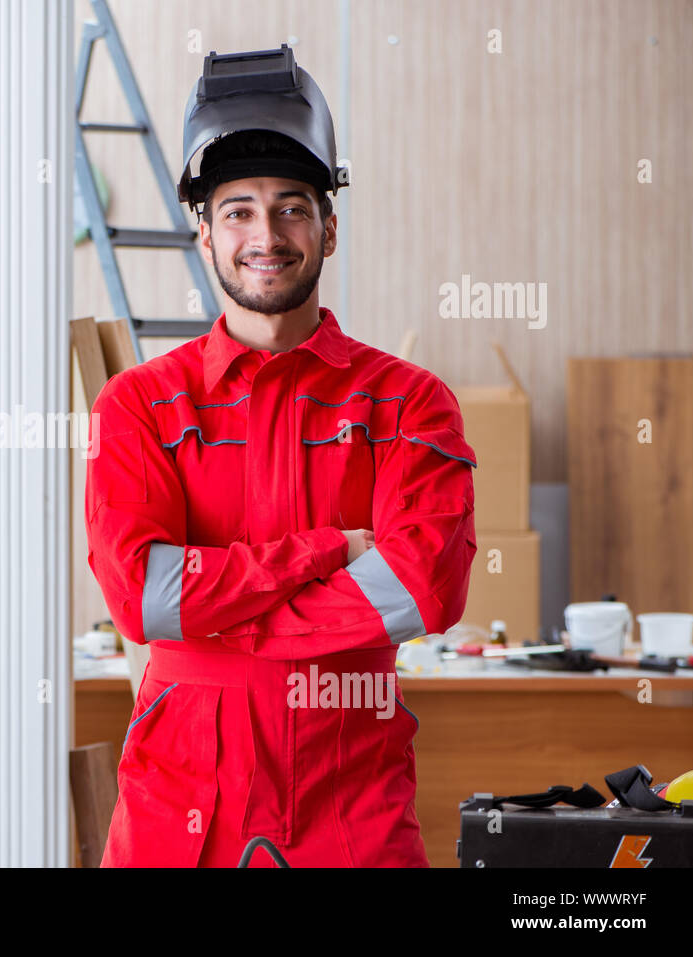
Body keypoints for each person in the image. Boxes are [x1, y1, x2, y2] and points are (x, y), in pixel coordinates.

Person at [85, 48, 477, 867]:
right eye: (238, 211)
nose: (266, 235)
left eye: (293, 208)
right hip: (179, 821)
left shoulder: (409, 402)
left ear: (329, 227)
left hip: (351, 817)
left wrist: (219, 622)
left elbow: (420, 587)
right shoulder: (138, 406)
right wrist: (331, 549)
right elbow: (145, 601)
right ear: (204, 232)